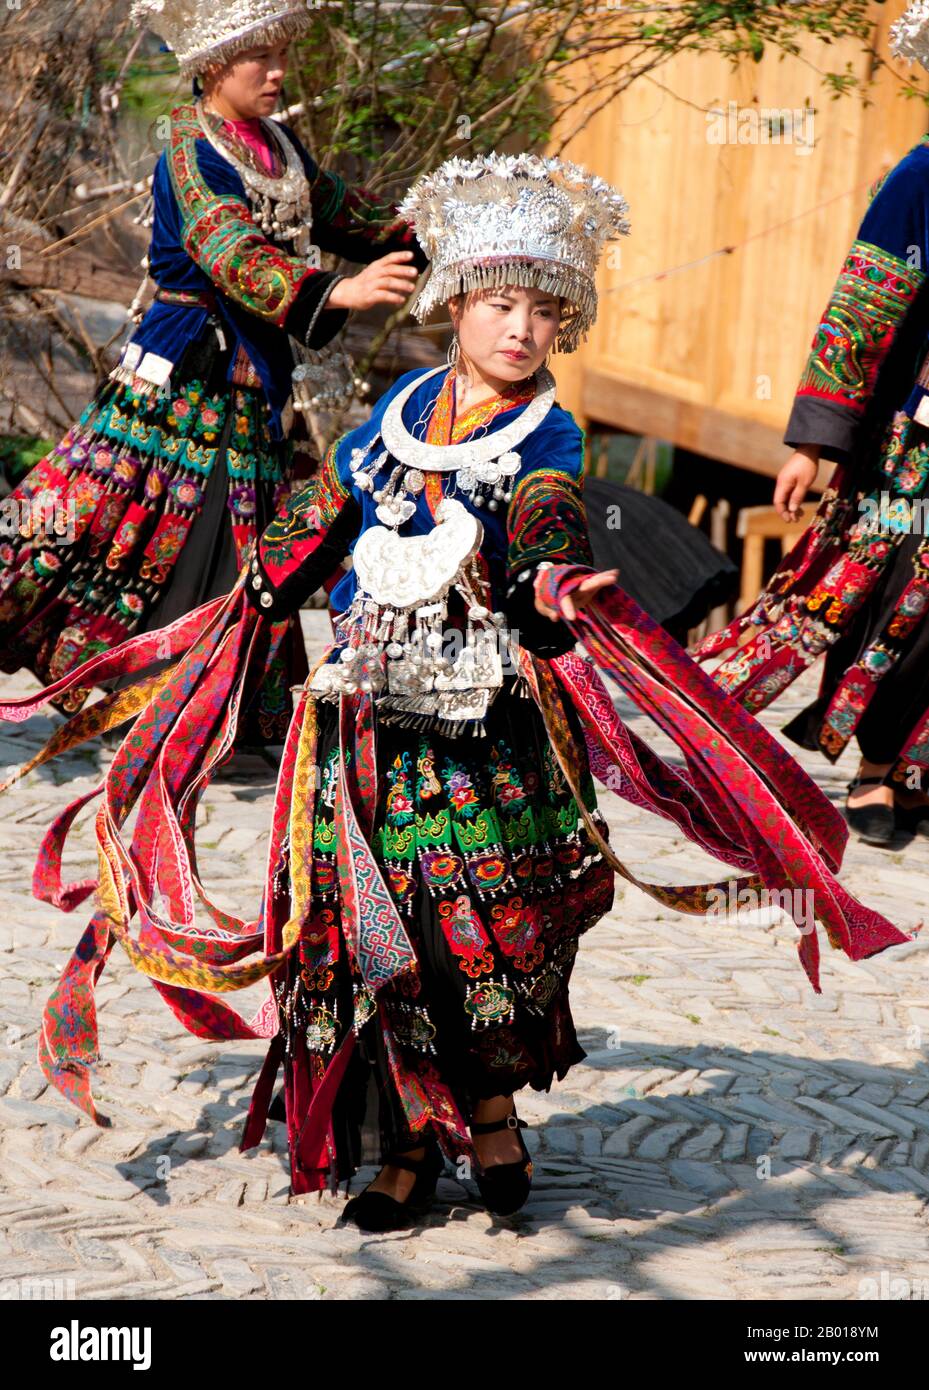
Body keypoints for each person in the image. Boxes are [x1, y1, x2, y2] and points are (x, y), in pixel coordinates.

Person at [0, 152, 910, 1233]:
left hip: (487, 734)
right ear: (455, 304)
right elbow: (329, 504)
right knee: (360, 928)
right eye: (495, 303)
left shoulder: (547, 434)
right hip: (363, 728)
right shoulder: (401, 408)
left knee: (483, 921)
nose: (517, 328)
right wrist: (267, 577)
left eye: (539, 310)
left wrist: (553, 583)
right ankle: (402, 1151)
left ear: (561, 326)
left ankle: (488, 1105)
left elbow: (542, 520)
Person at [0, 0, 426, 744]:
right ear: (212, 66)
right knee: (101, 520)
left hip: (254, 373)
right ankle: (157, 695)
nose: (277, 72)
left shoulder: (277, 146)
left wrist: (444, 227)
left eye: (278, 56)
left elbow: (350, 215)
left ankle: (198, 705)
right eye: (258, 59)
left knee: (238, 534)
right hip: (185, 368)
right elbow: (228, 252)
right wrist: (337, 291)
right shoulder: (189, 151)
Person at [690, 4, 929, 847]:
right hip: (916, 451)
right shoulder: (919, 177)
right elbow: (858, 312)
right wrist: (813, 441)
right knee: (896, 597)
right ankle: (878, 765)